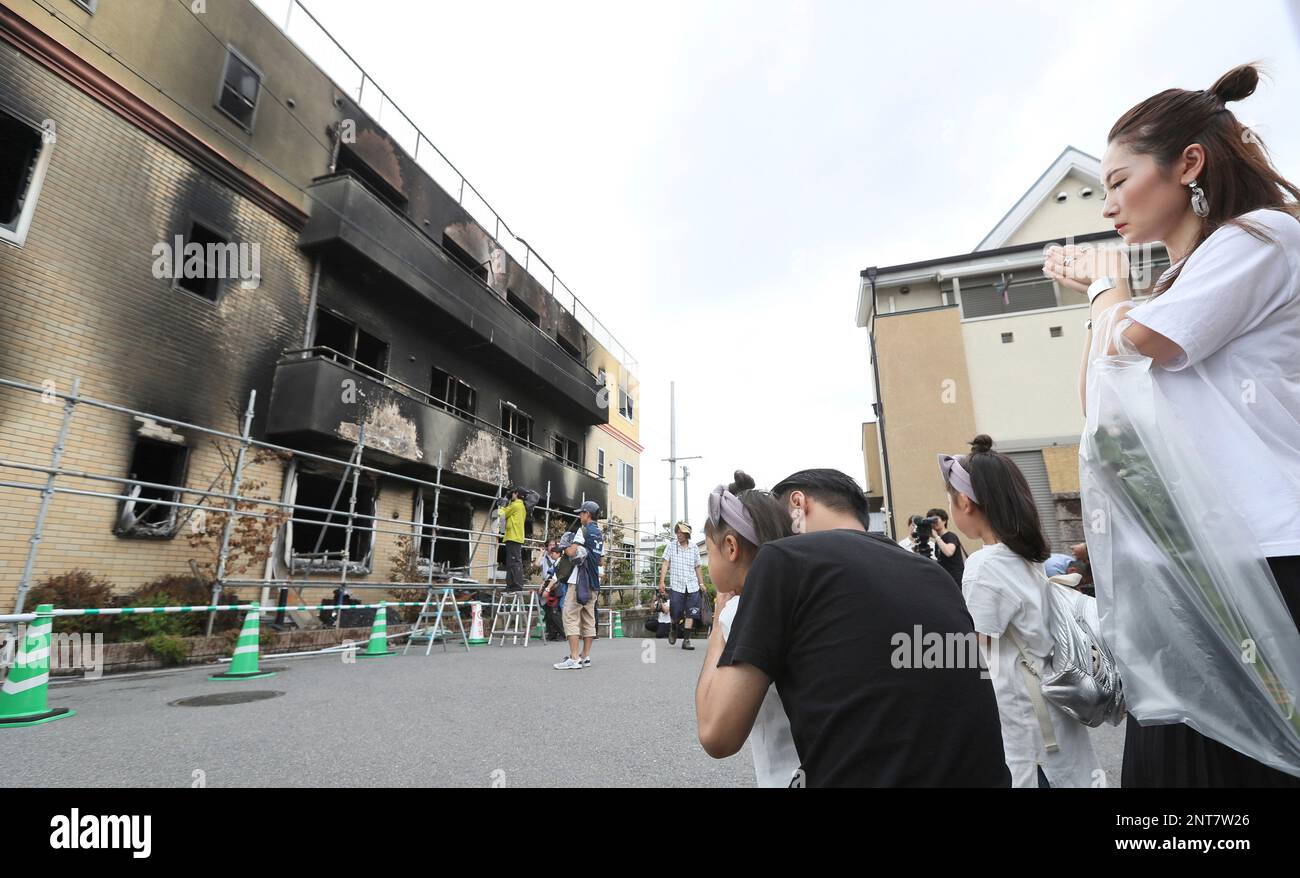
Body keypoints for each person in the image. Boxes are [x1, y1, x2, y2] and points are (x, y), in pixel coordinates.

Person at [1048, 62, 1300, 787]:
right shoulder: (1170, 284)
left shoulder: (1261, 238)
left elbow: (1137, 348)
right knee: (1180, 771)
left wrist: (1106, 291)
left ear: (1188, 163)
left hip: (1267, 551)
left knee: (1238, 768)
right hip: (1195, 562)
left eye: (1119, 182)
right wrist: (1113, 300)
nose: (1109, 207)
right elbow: (1098, 395)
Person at [697, 467, 1009, 787]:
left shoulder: (783, 560)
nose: (776, 536)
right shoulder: (934, 574)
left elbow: (717, 736)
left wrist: (720, 627)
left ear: (798, 505)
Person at [940, 436, 1101, 788]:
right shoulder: (1026, 557)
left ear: (964, 502)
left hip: (1025, 723)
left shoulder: (985, 565)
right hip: (1055, 704)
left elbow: (976, 655)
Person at [697, 471, 800, 787]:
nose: (707, 562)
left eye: (708, 551)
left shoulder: (741, 611)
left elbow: (713, 733)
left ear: (731, 547)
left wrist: (718, 628)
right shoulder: (800, 595)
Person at [553, 501, 604, 670]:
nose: (579, 516)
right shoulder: (599, 533)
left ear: (587, 514)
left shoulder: (584, 530)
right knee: (589, 619)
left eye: (581, 513)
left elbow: (572, 552)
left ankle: (574, 658)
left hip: (580, 581)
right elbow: (601, 560)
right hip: (594, 582)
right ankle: (585, 656)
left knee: (570, 616)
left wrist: (565, 545)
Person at [658, 521, 704, 650]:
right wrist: (662, 581)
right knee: (676, 613)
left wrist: (701, 583)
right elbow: (665, 564)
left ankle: (686, 640)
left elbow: (698, 567)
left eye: (681, 532)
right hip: (677, 585)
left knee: (691, 613)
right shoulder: (671, 546)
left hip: (692, 585)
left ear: (687, 534)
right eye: (677, 532)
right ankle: (673, 626)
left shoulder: (694, 547)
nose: (678, 534)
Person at [495, 486, 527, 593]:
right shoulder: (519, 506)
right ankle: (510, 585)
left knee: (514, 563)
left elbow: (502, 514)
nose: (511, 495)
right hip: (513, 537)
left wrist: (502, 505)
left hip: (514, 537)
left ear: (516, 494)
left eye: (513, 493)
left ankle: (516, 585)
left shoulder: (517, 505)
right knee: (511, 563)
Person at [927, 508, 965, 588]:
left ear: (944, 521)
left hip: (957, 580)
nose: (934, 523)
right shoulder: (938, 541)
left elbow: (949, 552)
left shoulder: (950, 536)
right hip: (946, 579)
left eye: (936, 519)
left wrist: (936, 537)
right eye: (931, 521)